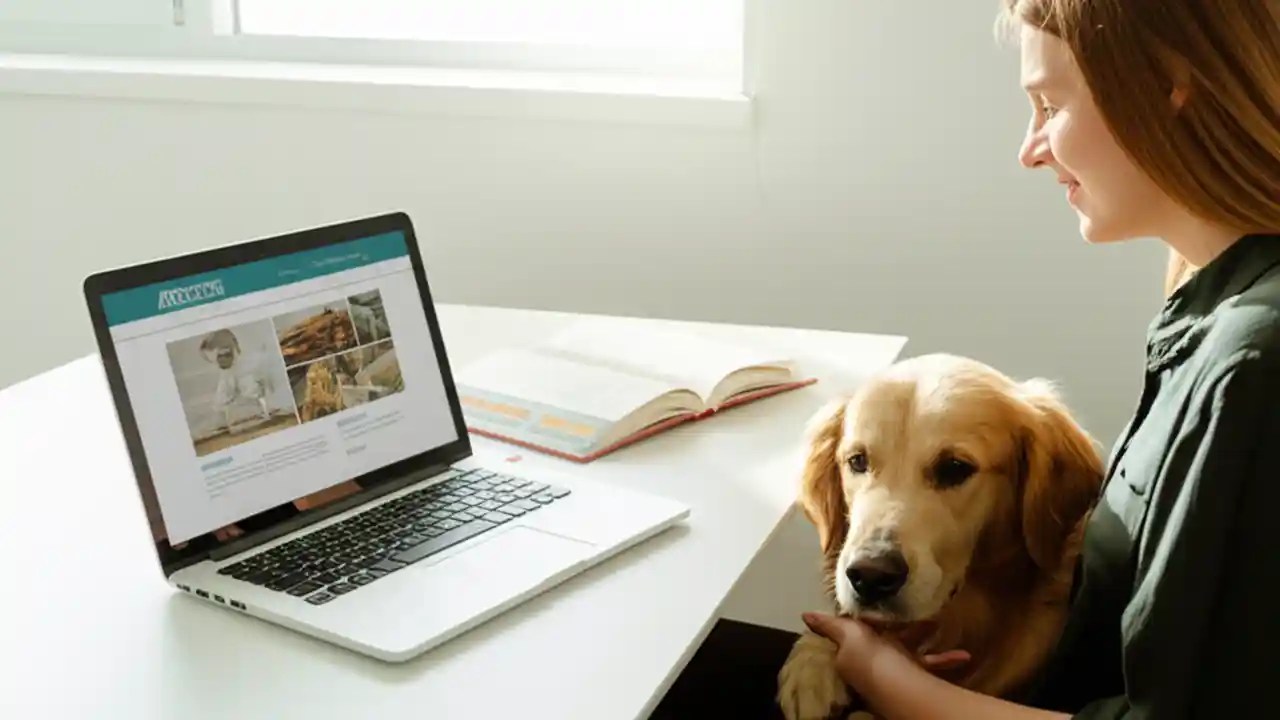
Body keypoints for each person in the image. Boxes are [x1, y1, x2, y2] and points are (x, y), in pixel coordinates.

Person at [652, 1, 1280, 718]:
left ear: (1172, 85)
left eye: (1048, 104)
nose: (1030, 147)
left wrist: (894, 686)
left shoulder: (1253, 361)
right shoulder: (1207, 307)